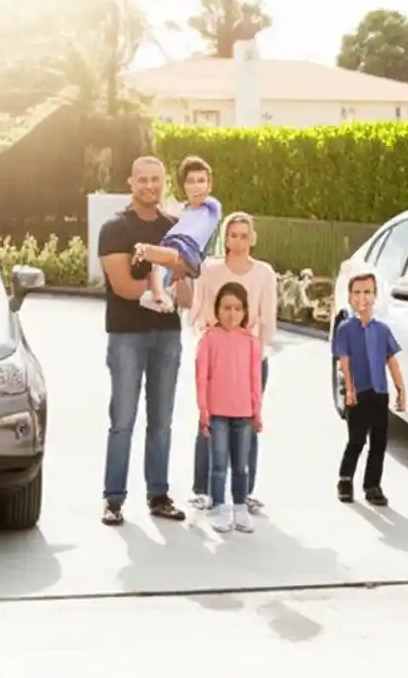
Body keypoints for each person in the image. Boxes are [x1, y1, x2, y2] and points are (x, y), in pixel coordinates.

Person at [97, 155, 187, 526]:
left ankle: (159, 495)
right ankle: (113, 499)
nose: (150, 185)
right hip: (127, 336)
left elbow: (186, 280)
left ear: (164, 183)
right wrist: (154, 295)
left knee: (162, 421)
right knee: (123, 419)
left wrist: (177, 292)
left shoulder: (176, 229)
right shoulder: (115, 228)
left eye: (156, 179)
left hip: (168, 335)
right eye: (143, 179)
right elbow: (121, 284)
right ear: (131, 182)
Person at [186, 212, 276, 513]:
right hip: (216, 358)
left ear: (252, 238)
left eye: (243, 235)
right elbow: (198, 308)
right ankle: (202, 490)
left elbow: (267, 318)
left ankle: (245, 492)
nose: (237, 241)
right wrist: (207, 335)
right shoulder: (211, 271)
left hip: (250, 359)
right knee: (209, 422)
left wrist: (257, 351)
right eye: (232, 234)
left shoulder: (264, 273)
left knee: (248, 424)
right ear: (225, 237)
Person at [332, 271, 406, 506]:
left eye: (367, 292)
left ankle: (372, 485)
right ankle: (345, 479)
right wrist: (350, 390)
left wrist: (400, 388)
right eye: (357, 292)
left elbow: (391, 359)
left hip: (379, 393)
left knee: (379, 441)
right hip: (358, 392)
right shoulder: (345, 328)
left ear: (375, 296)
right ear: (349, 296)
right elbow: (344, 362)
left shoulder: (382, 330)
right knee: (356, 439)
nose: (362, 297)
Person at [195, 281, 263, 533]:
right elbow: (202, 379)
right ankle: (218, 507)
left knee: (241, 465)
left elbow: (255, 380)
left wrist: (257, 411)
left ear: (245, 311)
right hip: (217, 414)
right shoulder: (208, 340)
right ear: (217, 309)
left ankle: (240, 508)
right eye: (226, 308)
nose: (231, 314)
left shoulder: (252, 343)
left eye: (237, 308)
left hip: (244, 415)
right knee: (219, 464)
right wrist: (204, 412)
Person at [132, 156, 223, 313]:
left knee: (157, 253)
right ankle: (160, 294)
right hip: (173, 246)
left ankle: (146, 253)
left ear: (209, 186)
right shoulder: (181, 211)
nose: (196, 186)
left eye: (201, 181)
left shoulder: (211, 208)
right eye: (191, 181)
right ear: (185, 186)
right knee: (158, 264)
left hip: (191, 251)